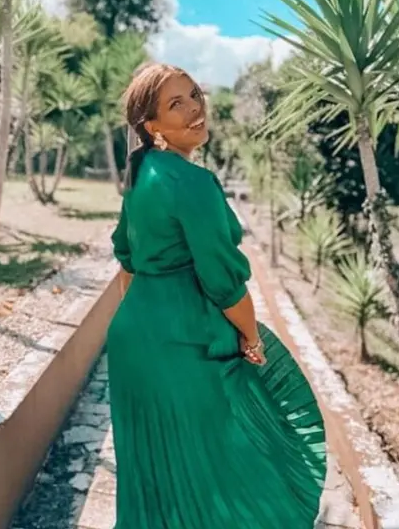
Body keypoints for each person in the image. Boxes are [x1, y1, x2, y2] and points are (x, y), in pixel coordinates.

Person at [107, 63, 327, 529]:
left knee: (157, 479)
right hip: (187, 346)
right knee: (223, 468)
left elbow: (127, 259)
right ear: (152, 126)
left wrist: (144, 323)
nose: (195, 109)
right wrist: (252, 338)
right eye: (176, 104)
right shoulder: (193, 183)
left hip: (133, 343)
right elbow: (223, 283)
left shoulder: (140, 172)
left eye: (194, 95)